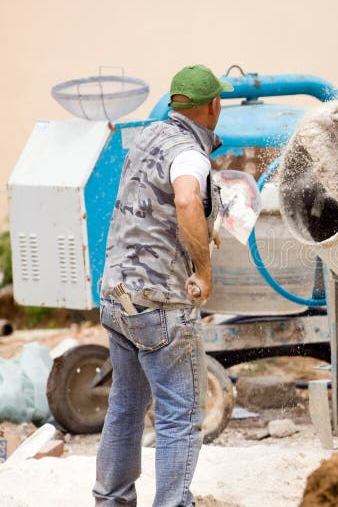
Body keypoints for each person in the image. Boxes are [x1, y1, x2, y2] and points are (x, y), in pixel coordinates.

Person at [93, 65, 232, 506]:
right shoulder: (191, 154)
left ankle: (111, 500)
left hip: (118, 296)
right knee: (180, 414)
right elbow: (187, 198)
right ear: (213, 106)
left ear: (174, 103)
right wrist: (203, 271)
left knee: (126, 407)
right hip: (161, 304)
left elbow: (154, 204)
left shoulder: (147, 136)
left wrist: (203, 229)